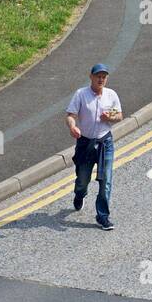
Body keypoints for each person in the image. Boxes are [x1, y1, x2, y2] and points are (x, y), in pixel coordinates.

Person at [66, 63, 123, 230]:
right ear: (91, 77)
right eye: (98, 76)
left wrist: (110, 116)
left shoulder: (111, 95)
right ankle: (80, 193)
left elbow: (119, 115)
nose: (101, 79)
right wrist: (72, 127)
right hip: (85, 142)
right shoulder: (81, 94)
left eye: (104, 76)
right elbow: (70, 115)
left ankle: (103, 216)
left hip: (105, 141)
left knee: (106, 180)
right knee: (83, 179)